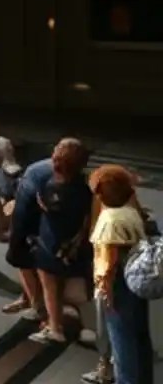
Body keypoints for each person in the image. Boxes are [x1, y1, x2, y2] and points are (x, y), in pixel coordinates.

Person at [5, 137, 91, 326]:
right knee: (43, 268)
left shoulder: (45, 175)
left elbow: (32, 201)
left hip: (32, 222)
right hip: (50, 230)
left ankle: (38, 307)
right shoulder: (80, 182)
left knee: (26, 261)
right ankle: (31, 300)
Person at [87, 164, 152, 384]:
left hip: (117, 286)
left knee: (121, 341)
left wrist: (104, 290)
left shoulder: (109, 220)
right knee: (139, 336)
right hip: (136, 278)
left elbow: (107, 260)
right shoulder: (131, 212)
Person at [27, 138, 94, 345]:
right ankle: (88, 328)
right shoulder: (85, 185)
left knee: (50, 287)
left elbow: (44, 206)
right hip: (77, 245)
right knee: (81, 287)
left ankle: (54, 328)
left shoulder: (52, 186)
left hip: (52, 245)